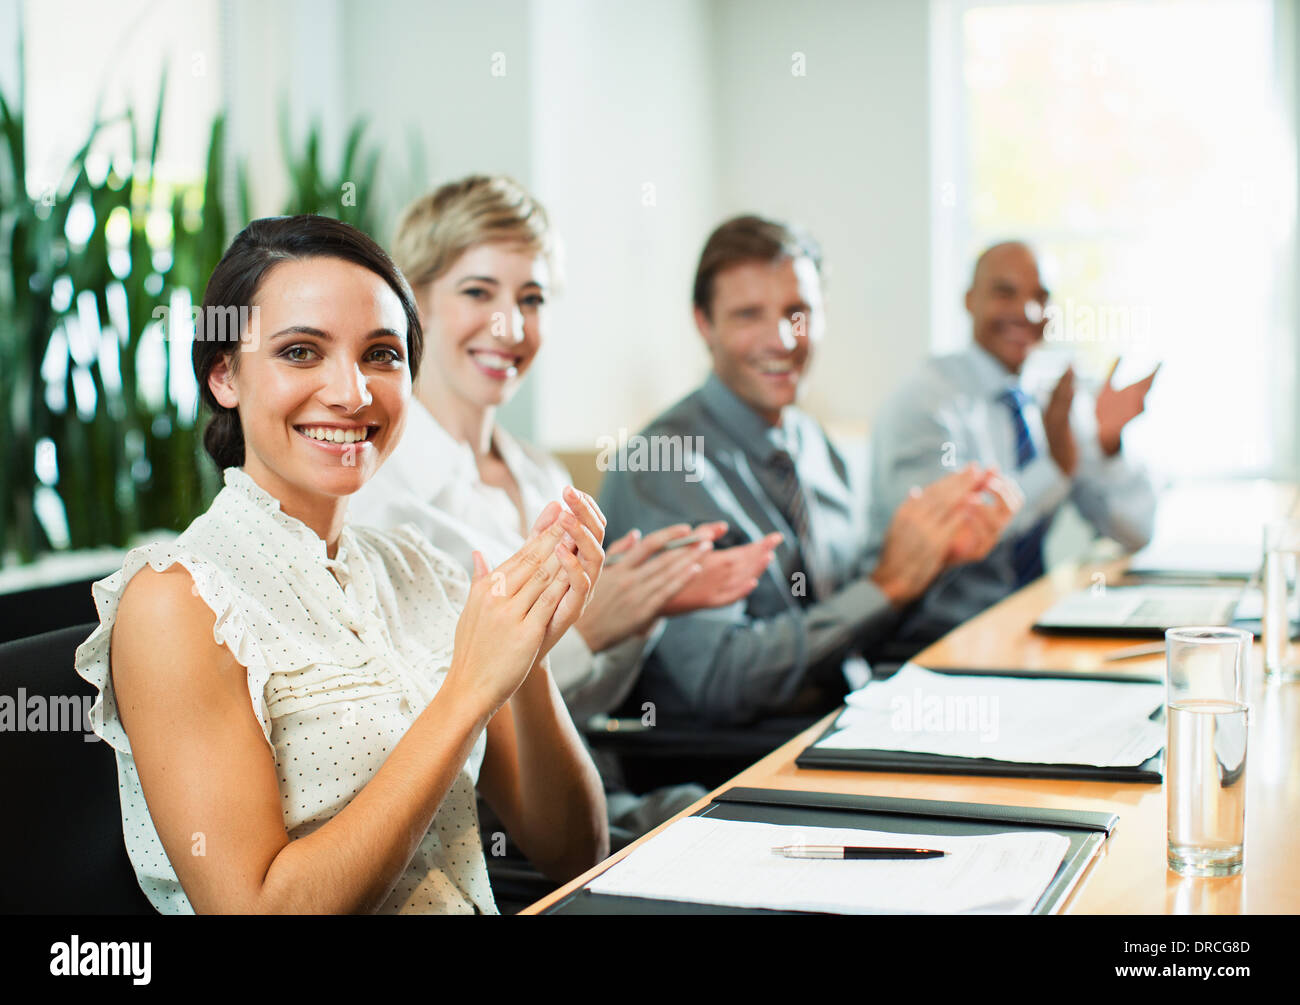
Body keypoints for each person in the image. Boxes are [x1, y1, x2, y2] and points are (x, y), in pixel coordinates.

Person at [74, 215, 608, 915]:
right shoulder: (176, 601)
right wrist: (464, 696)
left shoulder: (422, 571)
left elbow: (575, 850)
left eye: (382, 354)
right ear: (224, 374)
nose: (352, 392)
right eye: (301, 351)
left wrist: (527, 654)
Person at [348, 177, 777, 840]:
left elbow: (587, 710)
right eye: (478, 292)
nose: (510, 326)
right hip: (488, 838)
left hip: (602, 803)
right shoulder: (377, 497)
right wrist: (583, 635)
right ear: (415, 302)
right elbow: (425, 734)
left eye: (532, 299)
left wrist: (640, 612)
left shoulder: (541, 475)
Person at [598, 214, 1021, 727]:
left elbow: (851, 629)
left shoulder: (823, 449)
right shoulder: (664, 466)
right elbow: (718, 680)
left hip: (840, 724)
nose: (781, 339)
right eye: (748, 314)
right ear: (704, 324)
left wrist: (928, 565)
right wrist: (886, 586)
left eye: (797, 312)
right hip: (723, 764)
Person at [868, 240, 1158, 647]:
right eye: (1005, 293)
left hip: (1030, 628)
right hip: (931, 642)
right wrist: (1054, 466)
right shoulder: (924, 403)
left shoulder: (1051, 397)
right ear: (969, 300)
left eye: (1041, 297)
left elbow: (1137, 531)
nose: (1028, 312)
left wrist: (1108, 443)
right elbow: (950, 537)